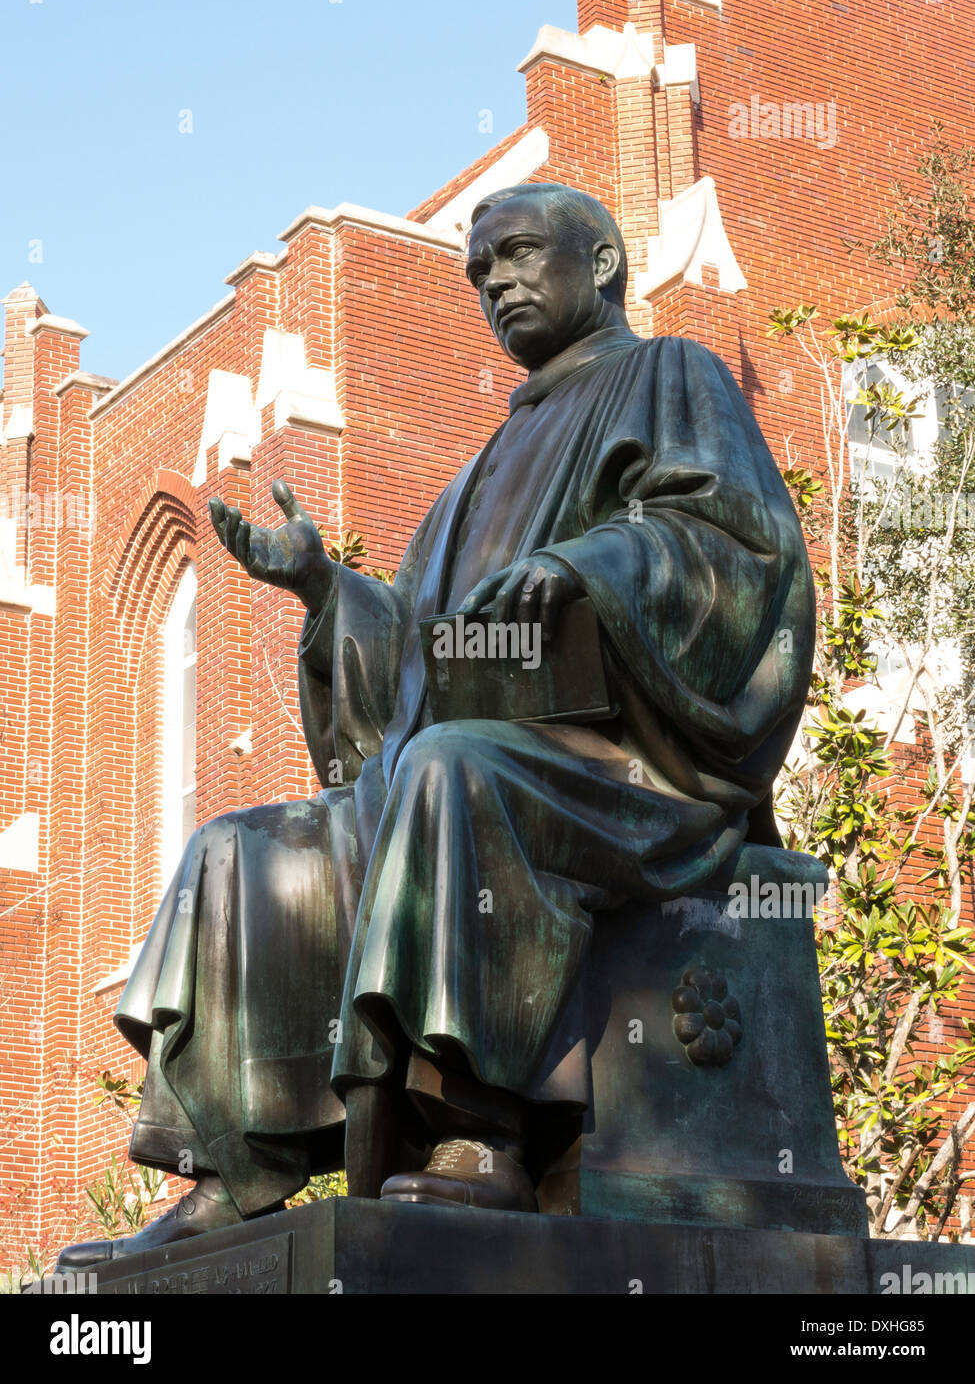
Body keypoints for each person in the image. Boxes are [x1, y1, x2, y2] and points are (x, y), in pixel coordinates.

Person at [57, 182, 814, 1267]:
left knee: (453, 774)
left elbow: (732, 543)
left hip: (630, 761)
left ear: (600, 262)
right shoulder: (475, 474)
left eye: (515, 254)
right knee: (240, 850)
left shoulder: (670, 376)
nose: (495, 283)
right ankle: (229, 1172)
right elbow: (411, 651)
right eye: (478, 271)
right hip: (476, 760)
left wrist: (589, 568)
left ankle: (477, 1128)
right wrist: (325, 592)